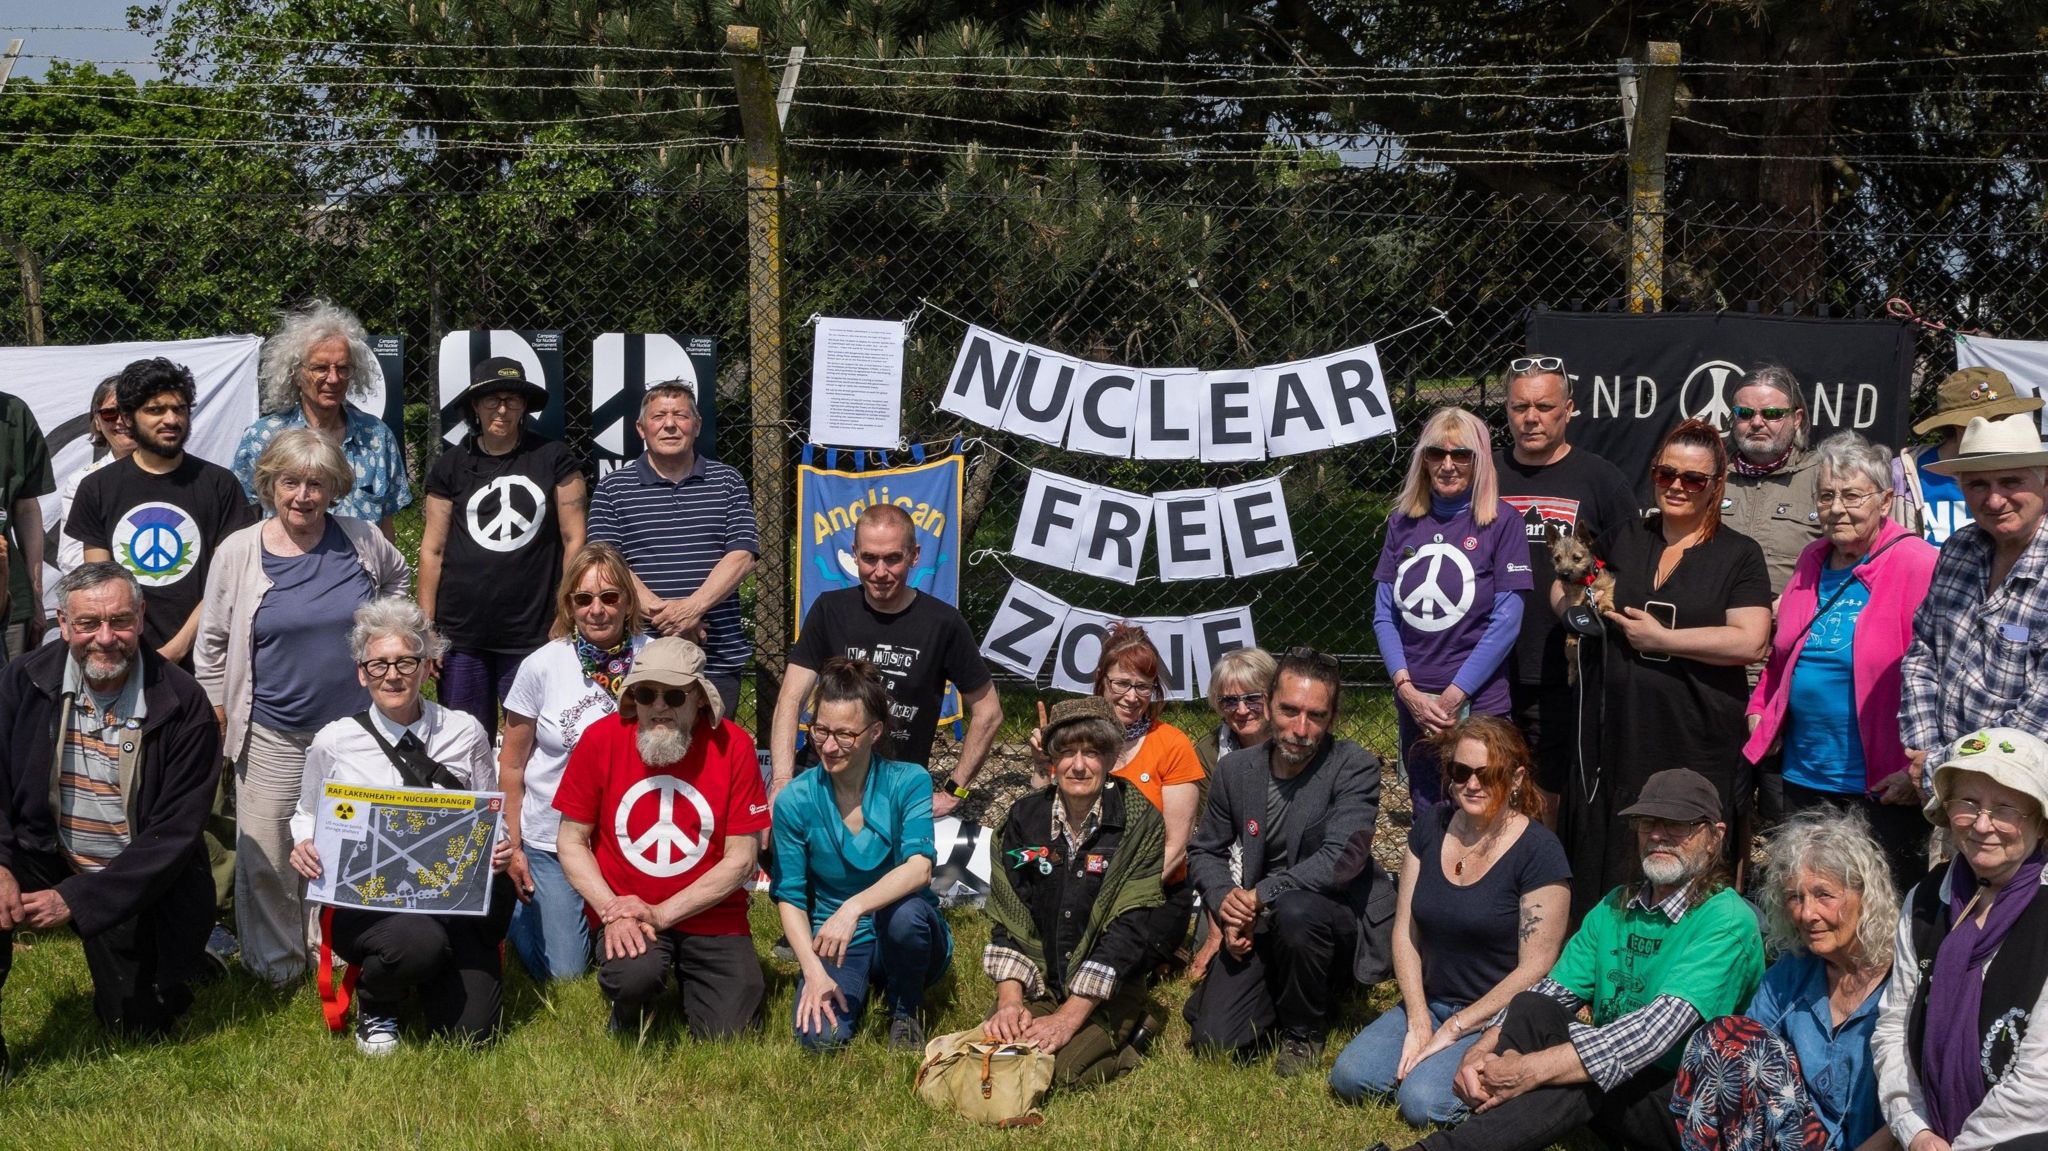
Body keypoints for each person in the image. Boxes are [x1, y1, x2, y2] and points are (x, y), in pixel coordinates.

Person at [1370, 769, 1766, 1151]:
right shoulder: (1617, 906)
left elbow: (1649, 1035)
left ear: (1715, 837)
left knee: (1591, 1071)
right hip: (1622, 1086)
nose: (1658, 836)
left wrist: (1532, 1071)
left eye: (1677, 825)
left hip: (1691, 1106)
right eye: (1648, 823)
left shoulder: (1727, 920)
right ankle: (1502, 1112)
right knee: (1532, 1006)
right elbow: (1550, 992)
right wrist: (1480, 1050)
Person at [195, 429, 408, 987]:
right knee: (269, 849)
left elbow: (397, 581)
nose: (303, 496)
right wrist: (218, 709)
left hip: (352, 732)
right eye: (290, 482)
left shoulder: (361, 539)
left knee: (345, 845)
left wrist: (389, 638)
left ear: (335, 488)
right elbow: (212, 642)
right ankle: (275, 963)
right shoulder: (239, 551)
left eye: (317, 483)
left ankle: (334, 950)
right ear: (269, 485)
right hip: (271, 730)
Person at [0, 563, 222, 1057]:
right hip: (44, 848)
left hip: (134, 873)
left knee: (136, 1027)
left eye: (120, 620)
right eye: (88, 624)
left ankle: (186, 963)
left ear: (141, 617)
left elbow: (176, 835)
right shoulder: (23, 680)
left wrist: (77, 899)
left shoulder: (183, 703)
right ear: (62, 623)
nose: (105, 638)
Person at [1559, 418, 1772, 920]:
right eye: (1665, 473)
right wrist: (1574, 609)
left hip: (1695, 733)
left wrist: (1665, 640)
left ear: (1716, 485)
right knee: (1612, 851)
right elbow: (1570, 579)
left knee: (1691, 860)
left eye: (1693, 479)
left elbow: (1751, 638)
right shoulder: (1625, 537)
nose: (1677, 486)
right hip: (1618, 731)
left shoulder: (1739, 554)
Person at [289, 599, 512, 1055]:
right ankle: (379, 1002)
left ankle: (433, 981)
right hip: (371, 906)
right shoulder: (334, 740)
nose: (392, 675)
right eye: (378, 664)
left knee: (471, 1038)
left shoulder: (465, 731)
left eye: (406, 662)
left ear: (429, 666)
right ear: (361, 673)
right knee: (417, 944)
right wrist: (304, 842)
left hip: (455, 901)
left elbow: (492, 814)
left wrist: (500, 845)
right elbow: (308, 811)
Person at [1330, 715, 1571, 1127]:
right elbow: (1405, 931)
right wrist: (1419, 1018)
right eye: (1461, 772)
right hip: (1432, 1000)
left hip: (1496, 1018)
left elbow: (1536, 967)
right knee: (1351, 1077)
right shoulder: (1430, 826)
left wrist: (1457, 1027)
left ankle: (1503, 1074)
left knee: (1422, 1103)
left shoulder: (1539, 851)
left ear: (1515, 778)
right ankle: (1426, 1057)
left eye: (1487, 773)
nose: (1472, 784)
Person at [1744, 432, 1938, 893]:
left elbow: (1944, 671)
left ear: (1886, 500)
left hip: (1882, 785)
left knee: (1880, 904)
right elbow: (1782, 652)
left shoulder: (1918, 562)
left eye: (1852, 495)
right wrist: (1758, 708)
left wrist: (1919, 767)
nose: (1837, 507)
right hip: (1803, 774)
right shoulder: (1811, 559)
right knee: (1807, 899)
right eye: (1826, 495)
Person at [553, 637, 769, 1038]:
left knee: (732, 1033)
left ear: (701, 699)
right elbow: (570, 841)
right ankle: (631, 1004)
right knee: (633, 975)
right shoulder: (600, 740)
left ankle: (694, 978)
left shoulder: (734, 745)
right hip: (625, 910)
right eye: (647, 694)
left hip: (713, 914)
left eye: (674, 696)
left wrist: (661, 914)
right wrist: (612, 909)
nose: (659, 708)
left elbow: (741, 859)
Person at [1185, 646, 1384, 1077]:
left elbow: (1341, 859)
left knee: (1296, 911)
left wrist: (1258, 896)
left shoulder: (1355, 767)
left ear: (1332, 718)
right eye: (1289, 710)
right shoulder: (1235, 770)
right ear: (1270, 703)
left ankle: (1304, 1030)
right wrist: (1226, 903)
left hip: (1332, 912)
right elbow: (1206, 849)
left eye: (1315, 715)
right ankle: (1286, 987)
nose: (1300, 727)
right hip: (1265, 917)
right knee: (1215, 1039)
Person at [1668, 808, 1899, 1151]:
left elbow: (1917, 1104)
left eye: (1824, 895)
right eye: (1795, 897)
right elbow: (1741, 1071)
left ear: (1865, 897)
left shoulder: (1905, 982)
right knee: (1724, 1038)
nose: (1807, 914)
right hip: (1791, 1140)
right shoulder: (1791, 973)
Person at [984, 696, 1184, 1088]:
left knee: (1062, 1074)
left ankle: (1138, 1033)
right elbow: (1010, 915)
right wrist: (1010, 1002)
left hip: (1108, 986)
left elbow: (1130, 931)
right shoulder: (1023, 819)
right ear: (1051, 761)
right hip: (1042, 976)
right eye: (1067, 752)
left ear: (1111, 760)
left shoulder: (1140, 823)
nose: (1078, 765)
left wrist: (1068, 1018)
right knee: (1003, 1057)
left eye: (1092, 753)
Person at [1872, 727, 2048, 1151]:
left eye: (2006, 808)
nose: (1983, 825)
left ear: (2041, 823)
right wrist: (1914, 1129)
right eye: (1967, 804)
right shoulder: (1928, 900)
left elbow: (2040, 1083)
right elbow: (1894, 1024)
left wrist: (1964, 1145)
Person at [771, 503, 1001, 817]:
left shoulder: (942, 623)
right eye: (869, 558)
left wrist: (954, 790)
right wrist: (783, 780)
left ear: (914, 555)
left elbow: (988, 712)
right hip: (822, 773)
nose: (880, 572)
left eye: (893, 558)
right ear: (855, 553)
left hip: (893, 788)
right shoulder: (830, 610)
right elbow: (790, 698)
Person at [770, 657, 950, 1051]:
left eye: (845, 735)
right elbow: (790, 895)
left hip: (900, 933)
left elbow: (919, 869)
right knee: (820, 1039)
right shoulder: (795, 800)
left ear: (874, 732)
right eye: (820, 730)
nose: (829, 746)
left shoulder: (909, 781)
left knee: (907, 914)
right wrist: (813, 970)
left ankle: (906, 1009)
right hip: (835, 941)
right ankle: (850, 983)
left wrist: (852, 909)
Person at [1493, 356, 1636, 825]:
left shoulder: (1601, 479)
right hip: (1486, 661)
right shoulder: (1483, 474)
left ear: (1568, 410)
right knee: (1488, 774)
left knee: (1547, 788)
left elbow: (1627, 566)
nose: (1531, 417)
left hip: (1564, 665)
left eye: (1544, 406)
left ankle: (1542, 884)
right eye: (1520, 407)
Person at [497, 542, 648, 983]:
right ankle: (509, 911)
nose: (597, 610)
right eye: (583, 599)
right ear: (569, 604)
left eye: (609, 597)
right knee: (567, 972)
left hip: (630, 836)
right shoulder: (540, 667)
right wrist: (516, 847)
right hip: (552, 837)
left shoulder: (654, 658)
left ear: (627, 601)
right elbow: (511, 765)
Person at [1374, 406, 1532, 823]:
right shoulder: (1401, 523)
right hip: (1416, 703)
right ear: (1422, 460)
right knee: (1427, 811)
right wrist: (1406, 689)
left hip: (1476, 703)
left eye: (1461, 455)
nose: (1447, 465)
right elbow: (1384, 615)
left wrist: (1454, 694)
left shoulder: (1503, 523)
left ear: (1479, 460)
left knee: (1484, 810)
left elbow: (1507, 620)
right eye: (1435, 454)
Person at [418, 356, 587, 738]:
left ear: (525, 406)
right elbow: (432, 550)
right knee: (463, 738)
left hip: (533, 630)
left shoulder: (554, 458)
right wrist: (426, 628)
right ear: (475, 405)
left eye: (512, 399)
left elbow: (575, 538)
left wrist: (566, 612)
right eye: (492, 399)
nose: (502, 408)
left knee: (530, 739)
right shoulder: (450, 466)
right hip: (462, 634)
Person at [67, 357, 254, 668]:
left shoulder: (220, 484)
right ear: (127, 418)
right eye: (155, 410)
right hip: (124, 657)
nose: (171, 419)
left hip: (208, 659)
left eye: (179, 409)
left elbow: (227, 583)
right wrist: (132, 651)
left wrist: (174, 651)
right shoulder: (97, 488)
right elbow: (100, 587)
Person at [1900, 413, 2048, 795]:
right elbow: (1923, 652)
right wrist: (1926, 750)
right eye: (1978, 484)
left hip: (2028, 793)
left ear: (2045, 481)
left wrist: (1940, 765)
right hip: (1946, 784)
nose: (1995, 499)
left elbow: (2041, 713)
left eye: (2012, 481)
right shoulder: (1959, 549)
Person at [587, 383, 756, 716]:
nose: (669, 424)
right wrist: (672, 618)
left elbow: (742, 556)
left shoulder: (728, 482)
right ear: (641, 428)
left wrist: (693, 608)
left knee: (711, 758)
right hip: (635, 655)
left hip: (715, 653)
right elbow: (605, 565)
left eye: (680, 415)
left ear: (697, 425)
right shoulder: (612, 489)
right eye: (658, 416)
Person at [234, 299, 410, 538]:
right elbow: (244, 518)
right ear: (295, 373)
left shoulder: (377, 437)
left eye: (343, 368)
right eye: (320, 368)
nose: (334, 379)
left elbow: (386, 526)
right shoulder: (263, 437)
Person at [1900, 367, 2041, 546]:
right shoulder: (1905, 474)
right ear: (1953, 425)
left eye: (2003, 418)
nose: (1992, 427)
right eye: (1977, 422)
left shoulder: (2033, 470)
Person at [1722, 364, 1824, 597]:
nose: (1757, 423)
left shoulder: (1825, 477)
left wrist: (1797, 604)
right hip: (1717, 624)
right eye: (1745, 414)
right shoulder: (1711, 478)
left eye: (1771, 414)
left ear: (1796, 418)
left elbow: (1852, 559)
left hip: (1793, 623)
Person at [56, 376, 137, 576]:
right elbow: (71, 556)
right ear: (97, 422)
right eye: (110, 413)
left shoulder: (181, 475)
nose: (121, 420)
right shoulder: (84, 482)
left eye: (129, 411)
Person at [0, 384, 53, 660]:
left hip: (9, 599)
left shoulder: (14, 413)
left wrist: (35, 595)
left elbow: (26, 509)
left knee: (7, 698)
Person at [1194, 646, 1277, 775]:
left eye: (1253, 698)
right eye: (1230, 701)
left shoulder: (1296, 740)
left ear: (1274, 696)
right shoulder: (1208, 754)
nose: (1242, 710)